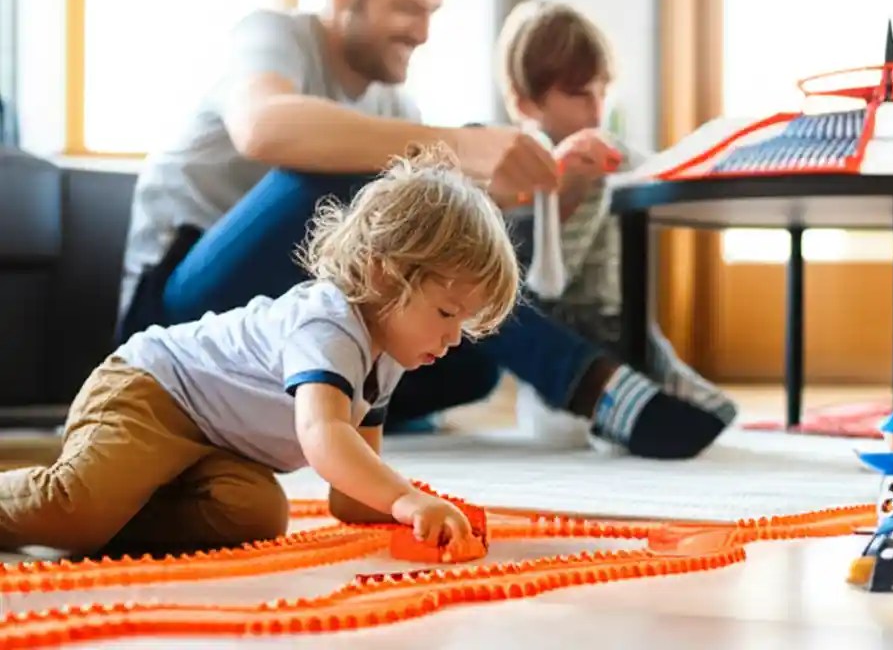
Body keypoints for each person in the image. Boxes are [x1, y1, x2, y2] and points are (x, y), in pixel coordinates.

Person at [116, 0, 730, 460]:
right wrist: (461, 147)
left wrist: (557, 190)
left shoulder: (395, 106)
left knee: (470, 348)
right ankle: (598, 387)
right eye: (408, 8)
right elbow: (263, 127)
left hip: (293, 325)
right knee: (355, 182)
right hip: (180, 319)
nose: (425, 31)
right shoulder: (273, 36)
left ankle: (350, 398)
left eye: (434, 11)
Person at [0, 148, 515, 555]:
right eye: (447, 314)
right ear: (385, 273)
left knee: (253, 516)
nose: (452, 340)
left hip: (216, 447)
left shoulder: (387, 358)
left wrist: (424, 513)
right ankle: (90, 502)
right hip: (152, 392)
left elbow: (350, 495)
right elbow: (323, 436)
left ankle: (117, 504)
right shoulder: (327, 322)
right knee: (76, 511)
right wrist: (407, 496)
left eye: (463, 324)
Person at [492, 0, 737, 436]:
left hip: (617, 315)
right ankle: (612, 403)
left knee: (699, 397)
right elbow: (527, 278)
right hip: (558, 320)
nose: (596, 109)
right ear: (527, 102)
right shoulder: (513, 167)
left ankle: (653, 401)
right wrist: (564, 196)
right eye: (579, 94)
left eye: (603, 91)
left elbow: (660, 171)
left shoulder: (611, 153)